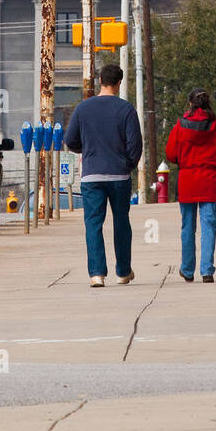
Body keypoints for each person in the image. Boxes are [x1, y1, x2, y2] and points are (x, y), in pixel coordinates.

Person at [65, 63, 143, 288]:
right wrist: (127, 165)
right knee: (121, 222)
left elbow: (70, 141)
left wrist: (87, 151)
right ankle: (123, 271)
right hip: (119, 176)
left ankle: (97, 274)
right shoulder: (126, 110)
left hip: (91, 176)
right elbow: (134, 145)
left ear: (100, 81)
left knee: (93, 224)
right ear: (119, 83)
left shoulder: (83, 109)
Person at [165, 88, 216, 283]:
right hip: (209, 180)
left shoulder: (180, 126)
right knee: (209, 227)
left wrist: (184, 160)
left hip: (187, 180)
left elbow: (170, 153)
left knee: (187, 227)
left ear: (190, 104)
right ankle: (207, 270)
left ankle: (187, 269)